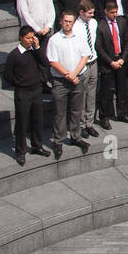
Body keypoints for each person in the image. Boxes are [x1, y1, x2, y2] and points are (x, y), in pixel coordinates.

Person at [0, 26, 50, 165]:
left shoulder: (34, 51)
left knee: (38, 119)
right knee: (22, 122)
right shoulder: (14, 55)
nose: (30, 40)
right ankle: (20, 151)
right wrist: (20, 83)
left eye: (32, 37)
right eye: (28, 38)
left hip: (36, 90)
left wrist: (38, 47)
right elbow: (8, 75)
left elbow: (45, 63)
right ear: (21, 38)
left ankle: (37, 146)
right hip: (23, 92)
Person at [46, 10, 91, 160]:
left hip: (77, 79)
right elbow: (53, 61)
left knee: (77, 110)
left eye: (70, 21)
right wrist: (68, 75)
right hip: (60, 81)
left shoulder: (79, 37)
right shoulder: (54, 39)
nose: (68, 24)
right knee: (59, 112)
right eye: (65, 21)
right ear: (61, 22)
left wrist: (75, 74)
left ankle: (75, 137)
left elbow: (85, 56)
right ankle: (58, 141)